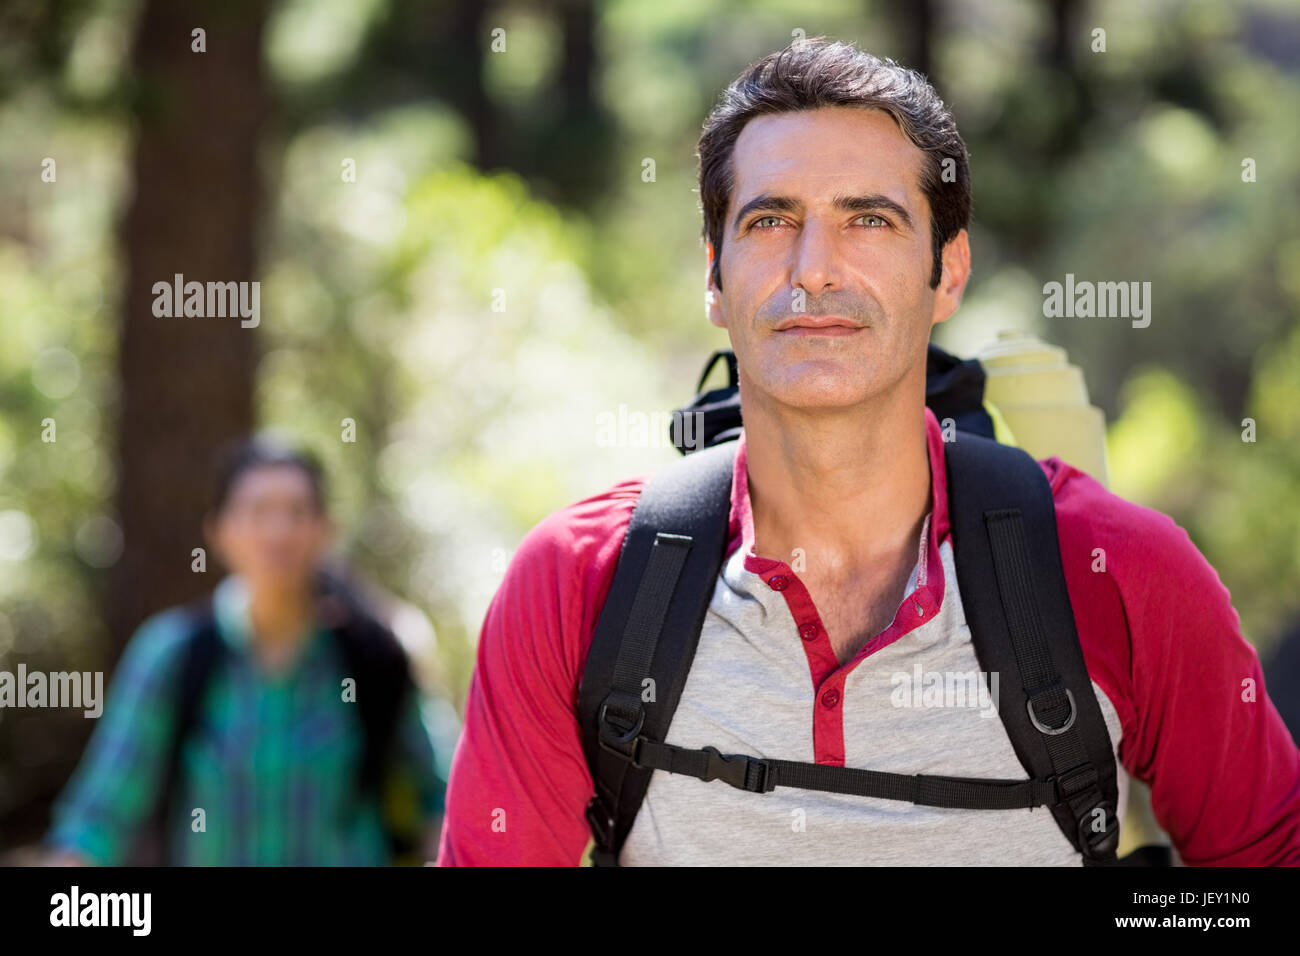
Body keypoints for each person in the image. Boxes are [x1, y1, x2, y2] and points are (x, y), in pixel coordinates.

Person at [436, 38, 1300, 866]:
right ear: (713, 277)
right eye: (772, 219)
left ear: (948, 273)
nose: (816, 268)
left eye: (871, 220)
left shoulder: (1118, 573)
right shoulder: (578, 586)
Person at [45, 436, 446, 865]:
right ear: (219, 532)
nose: (278, 532)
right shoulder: (171, 655)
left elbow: (444, 798)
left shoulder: (375, 655)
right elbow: (101, 815)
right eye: (258, 512)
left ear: (326, 529)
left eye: (297, 512)